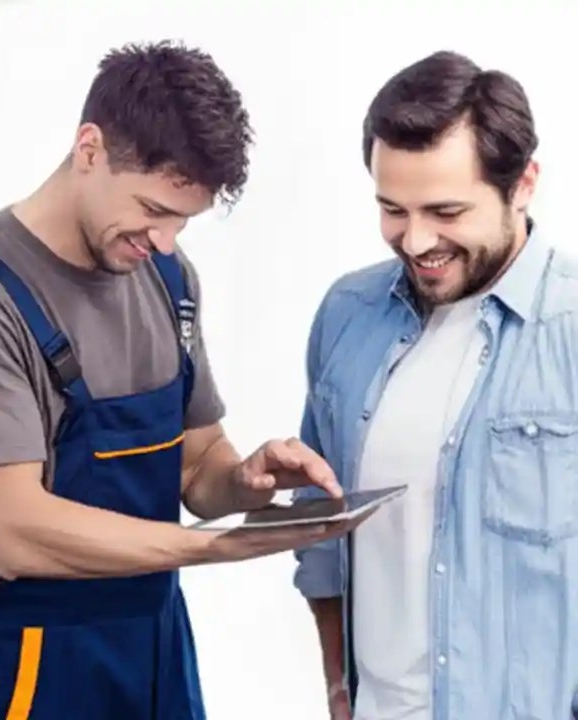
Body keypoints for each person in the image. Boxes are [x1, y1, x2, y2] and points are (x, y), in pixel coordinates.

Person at [0, 41, 363, 720]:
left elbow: (198, 467)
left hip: (155, 638)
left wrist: (245, 481)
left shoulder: (167, 278)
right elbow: (14, 531)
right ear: (89, 149)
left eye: (183, 219)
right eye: (154, 209)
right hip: (28, 656)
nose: (167, 239)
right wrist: (216, 548)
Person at [293, 50, 578, 720]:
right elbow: (320, 543)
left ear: (523, 184)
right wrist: (338, 690)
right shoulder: (347, 316)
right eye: (393, 209)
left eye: (445, 210)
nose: (416, 240)